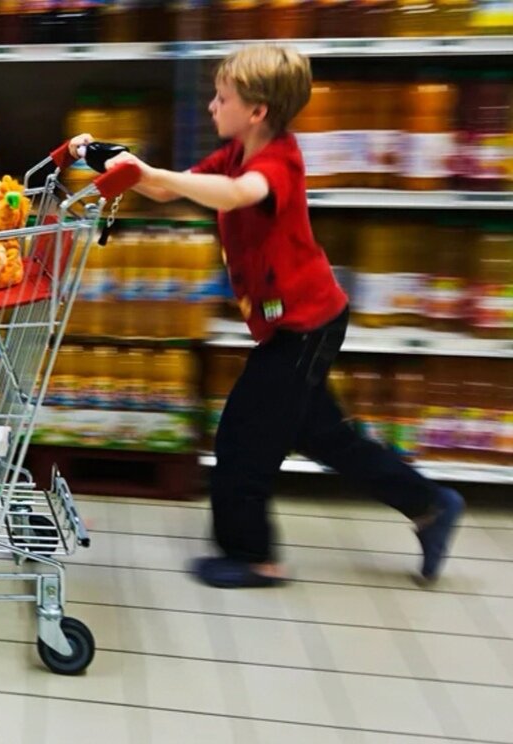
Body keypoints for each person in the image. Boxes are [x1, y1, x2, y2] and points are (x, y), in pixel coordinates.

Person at [68, 44, 463, 588]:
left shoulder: (275, 161)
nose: (211, 106)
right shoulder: (235, 152)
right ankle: (431, 505)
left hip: (304, 328)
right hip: (297, 321)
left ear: (256, 111)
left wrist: (153, 173)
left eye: (222, 97)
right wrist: (110, 158)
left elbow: (234, 196)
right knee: (325, 435)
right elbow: (164, 186)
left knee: (241, 437)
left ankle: (254, 557)